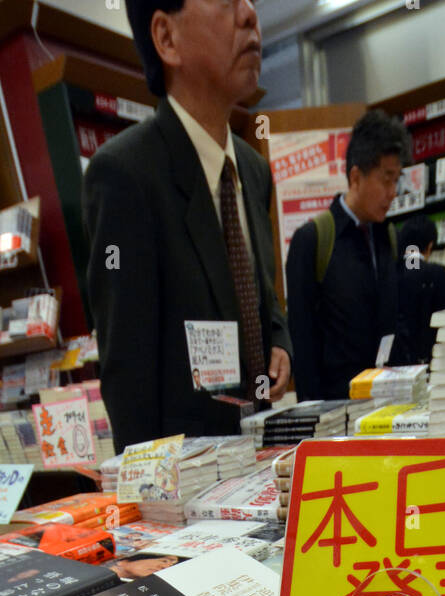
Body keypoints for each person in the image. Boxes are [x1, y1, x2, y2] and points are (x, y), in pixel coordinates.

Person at [83, 0, 292, 452]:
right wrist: (146, 489)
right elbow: (127, 372)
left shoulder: (253, 170)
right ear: (166, 38)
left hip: (261, 451)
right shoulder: (124, 175)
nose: (249, 14)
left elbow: (261, 289)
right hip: (189, 475)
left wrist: (278, 338)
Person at [285, 110, 411, 402]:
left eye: (397, 180)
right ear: (356, 177)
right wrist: (315, 421)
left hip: (387, 405)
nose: (393, 192)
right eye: (386, 180)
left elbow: (395, 322)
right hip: (337, 412)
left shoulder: (390, 238)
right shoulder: (313, 240)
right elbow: (303, 347)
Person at [395, 214, 445, 365]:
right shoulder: (437, 273)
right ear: (430, 245)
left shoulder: (389, 273)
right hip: (429, 360)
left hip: (394, 362)